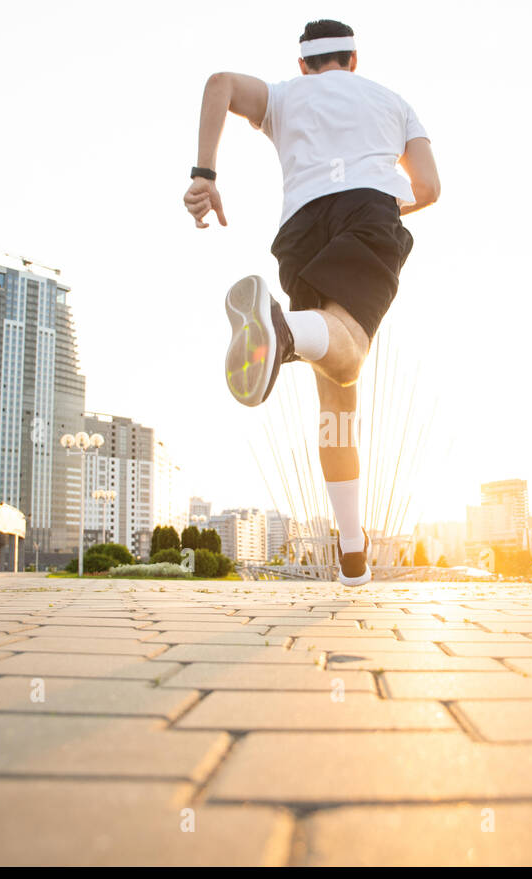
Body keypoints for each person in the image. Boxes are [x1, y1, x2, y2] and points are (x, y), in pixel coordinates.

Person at [183, 18, 440, 587]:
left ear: (303, 64)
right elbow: (428, 188)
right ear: (353, 59)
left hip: (299, 230)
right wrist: (381, 211)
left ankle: (352, 550)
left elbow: (219, 82)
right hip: (367, 211)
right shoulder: (393, 101)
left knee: (336, 401)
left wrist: (204, 174)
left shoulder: (281, 96)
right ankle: (285, 332)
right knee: (346, 358)